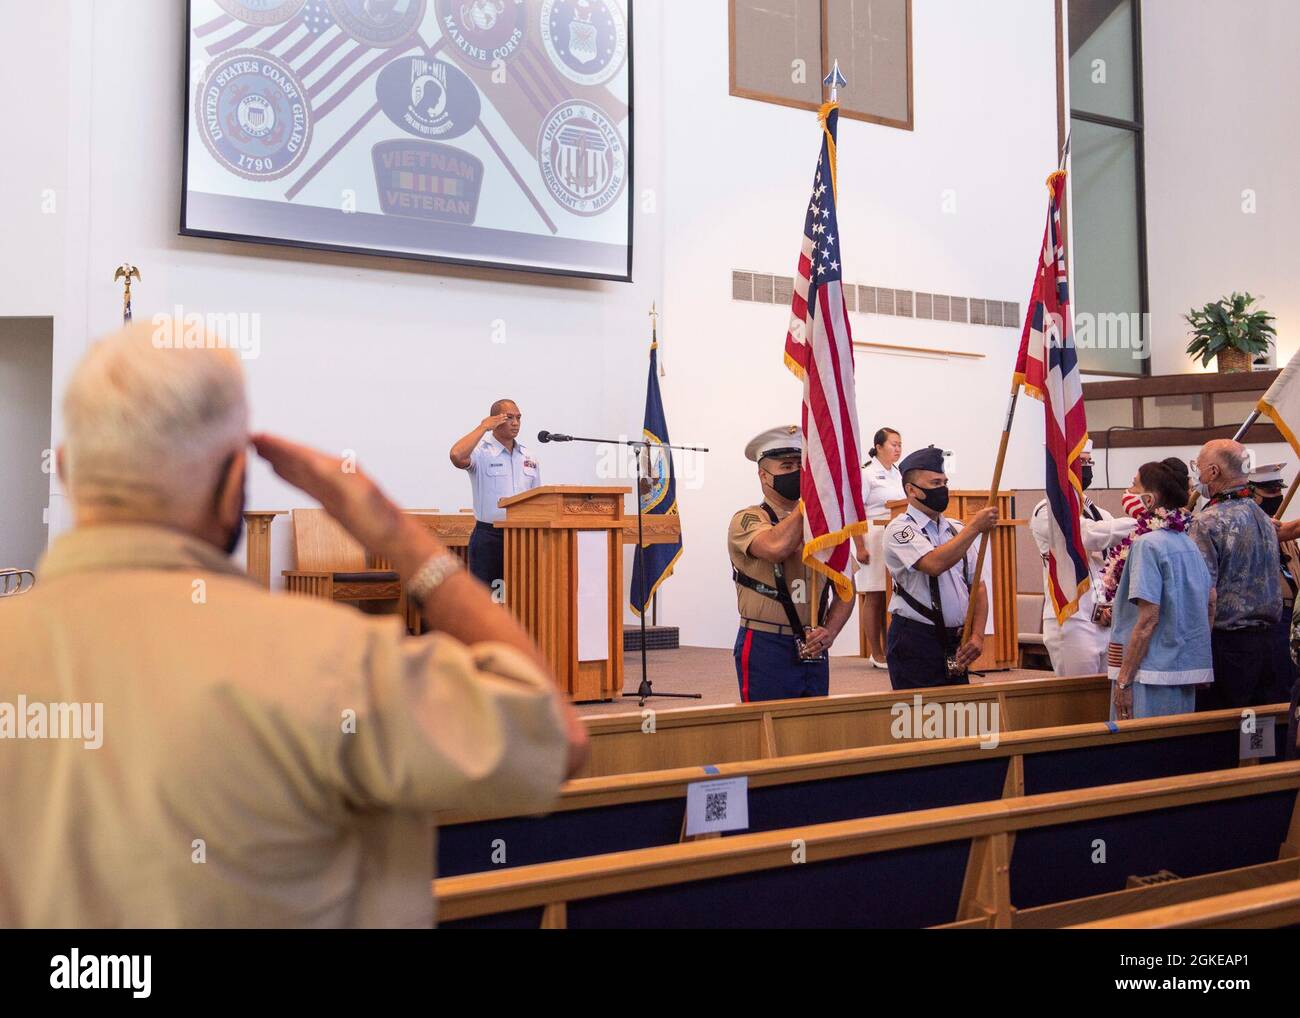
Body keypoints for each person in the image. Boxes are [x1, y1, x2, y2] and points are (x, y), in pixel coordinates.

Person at [0, 321, 586, 927]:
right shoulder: (332, 659)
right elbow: (552, 736)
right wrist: (394, 534)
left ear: (66, 471)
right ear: (235, 484)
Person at [727, 426, 854, 701]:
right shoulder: (747, 519)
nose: (796, 473)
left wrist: (830, 632)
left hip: (813, 644)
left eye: (800, 465)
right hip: (766, 643)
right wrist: (808, 503)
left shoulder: (824, 525)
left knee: (813, 733)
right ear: (763, 475)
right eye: (786, 466)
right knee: (766, 728)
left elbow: (847, 586)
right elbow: (776, 547)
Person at [883, 445, 998, 688]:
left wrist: (977, 634)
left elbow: (977, 587)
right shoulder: (900, 529)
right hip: (915, 640)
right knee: (920, 720)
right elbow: (933, 563)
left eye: (944, 482)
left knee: (956, 720)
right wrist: (974, 528)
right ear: (911, 490)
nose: (943, 489)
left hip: (955, 641)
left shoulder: (955, 529)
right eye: (935, 483)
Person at [1189, 439, 1292, 710]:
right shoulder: (1263, 517)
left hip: (1227, 646)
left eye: (1198, 467)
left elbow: (1205, 594)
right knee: (1260, 730)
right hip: (1269, 644)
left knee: (1223, 732)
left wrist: (1197, 652)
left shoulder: (1207, 521)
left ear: (1213, 472)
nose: (1197, 475)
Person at [1105, 461, 1212, 720]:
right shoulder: (1188, 543)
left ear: (1149, 499)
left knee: (1137, 754)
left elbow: (1147, 618)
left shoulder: (1147, 545)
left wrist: (1124, 681)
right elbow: (1211, 604)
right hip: (1181, 672)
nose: (1127, 491)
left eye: (1133, 485)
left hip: (1147, 673)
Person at [1029, 440, 1135, 676]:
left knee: (1108, 693)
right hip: (1071, 617)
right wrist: (1142, 523)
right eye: (1081, 462)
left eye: (1089, 462)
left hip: (1105, 619)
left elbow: (1115, 559)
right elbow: (1084, 535)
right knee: (1079, 697)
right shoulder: (1046, 511)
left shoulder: (1100, 513)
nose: (1086, 469)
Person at [448, 399, 540, 594]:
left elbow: (537, 500)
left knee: (521, 598)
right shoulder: (481, 453)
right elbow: (456, 455)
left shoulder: (528, 456)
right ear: (496, 420)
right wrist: (483, 427)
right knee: (486, 601)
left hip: (523, 537)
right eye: (509, 418)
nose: (516, 423)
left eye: (518, 418)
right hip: (489, 538)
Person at [853, 427, 904, 668]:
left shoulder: (899, 473)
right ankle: (876, 652)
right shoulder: (867, 473)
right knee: (874, 595)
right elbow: (855, 511)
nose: (898, 449)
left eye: (900, 445)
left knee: (892, 595)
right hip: (872, 537)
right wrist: (859, 546)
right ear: (879, 446)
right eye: (893, 444)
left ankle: (891, 648)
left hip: (895, 538)